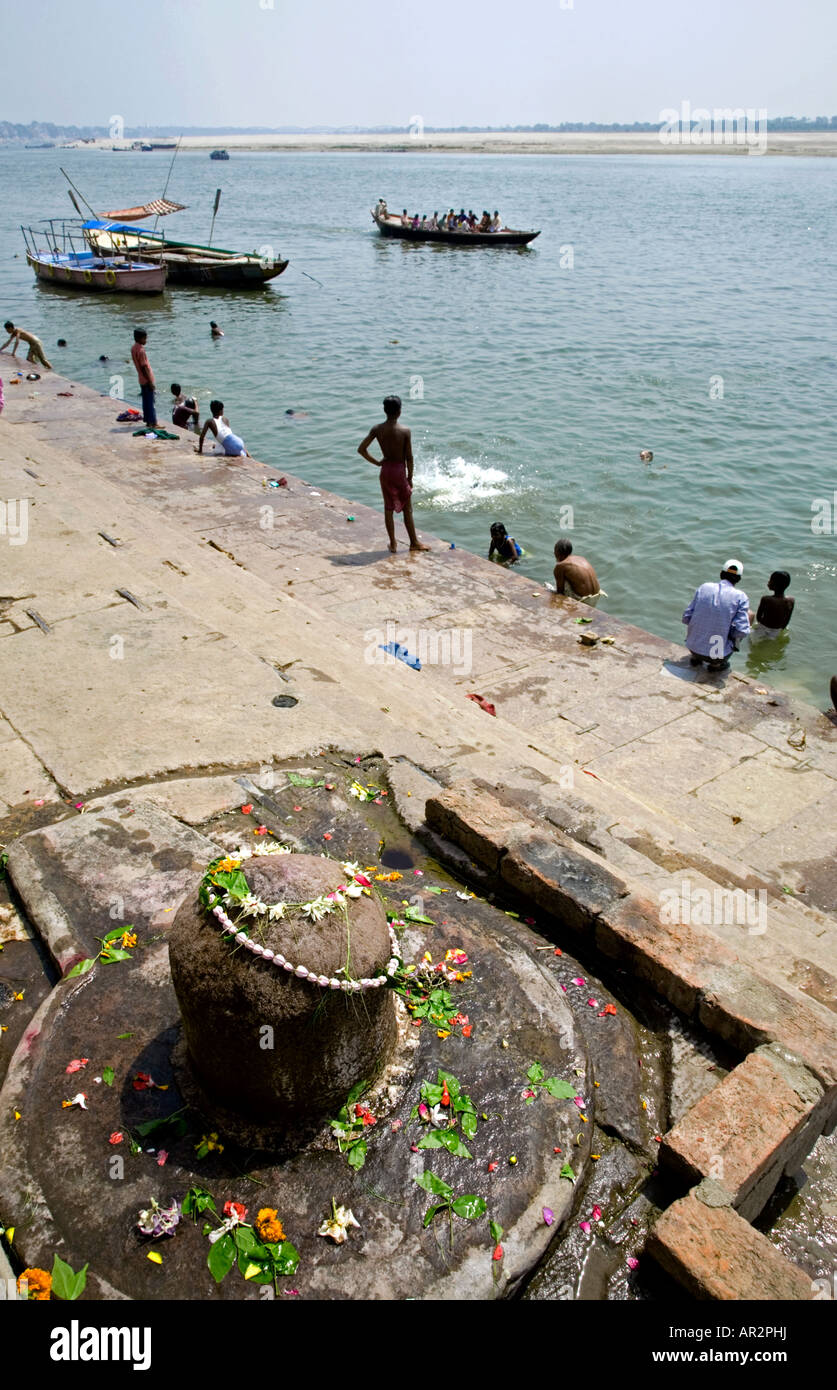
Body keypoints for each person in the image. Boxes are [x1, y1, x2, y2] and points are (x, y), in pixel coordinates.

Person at [357, 395, 430, 553]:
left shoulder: (377, 429)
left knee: (388, 508)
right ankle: (414, 542)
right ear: (400, 411)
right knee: (407, 508)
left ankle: (393, 543)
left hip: (386, 470)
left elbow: (361, 449)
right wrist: (410, 477)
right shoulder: (404, 431)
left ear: (384, 410)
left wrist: (377, 462)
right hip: (398, 471)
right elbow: (409, 457)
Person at [682, 559, 751, 671]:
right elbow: (742, 631)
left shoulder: (704, 587)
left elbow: (686, 617)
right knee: (749, 617)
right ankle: (715, 665)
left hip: (692, 647)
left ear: (721, 574)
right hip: (716, 656)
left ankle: (696, 658)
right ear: (739, 579)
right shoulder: (741, 597)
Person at [553, 539, 606, 607]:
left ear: (558, 552)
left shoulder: (561, 566)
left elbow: (560, 592)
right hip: (596, 596)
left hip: (584, 600)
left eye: (554, 551)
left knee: (559, 582)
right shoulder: (581, 558)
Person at [752, 571, 794, 639]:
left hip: (763, 628)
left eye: (770, 580)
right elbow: (787, 620)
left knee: (754, 643)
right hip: (777, 630)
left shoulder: (766, 599)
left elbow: (758, 617)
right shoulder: (791, 601)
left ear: (775, 584)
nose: (768, 582)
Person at [131, 328, 156, 426]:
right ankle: (152, 422)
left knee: (145, 401)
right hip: (146, 380)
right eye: (145, 338)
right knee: (150, 402)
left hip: (141, 379)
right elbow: (144, 367)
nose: (146, 340)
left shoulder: (133, 348)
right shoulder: (141, 350)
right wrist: (150, 381)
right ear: (140, 338)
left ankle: (147, 420)